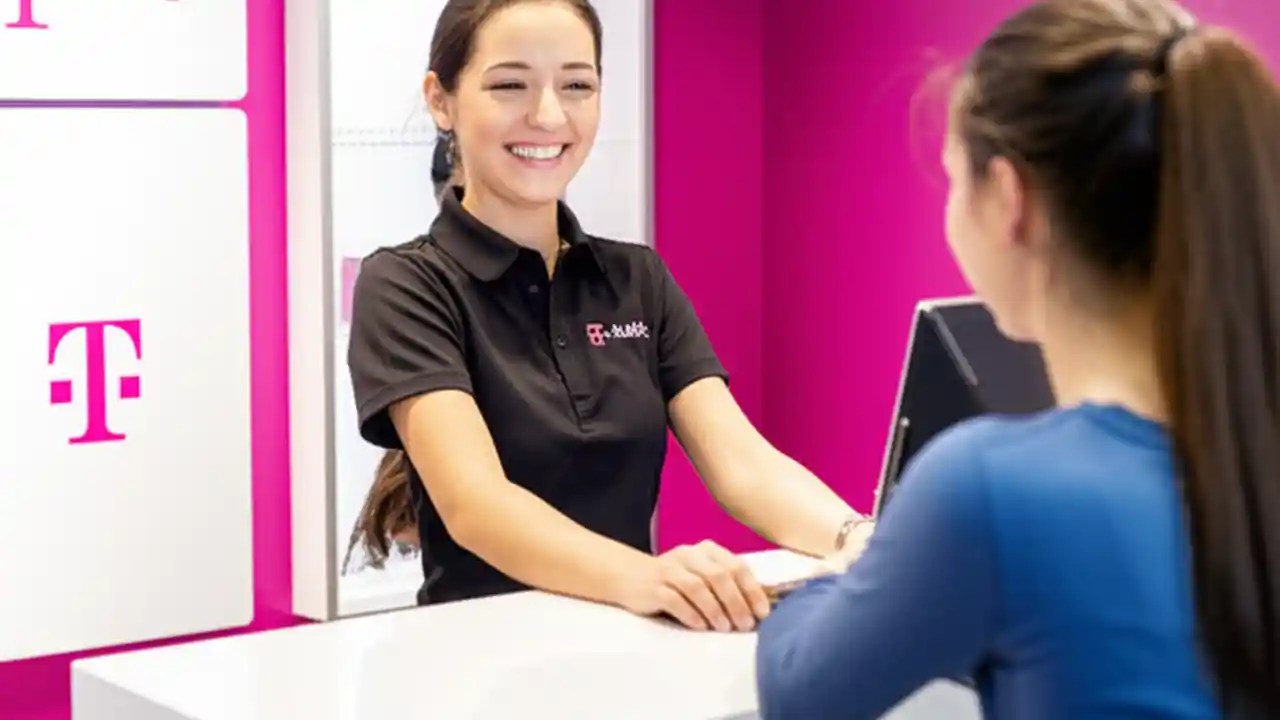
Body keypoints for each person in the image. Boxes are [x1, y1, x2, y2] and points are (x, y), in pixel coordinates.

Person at [756, 0, 1280, 717]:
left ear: (1009, 200)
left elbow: (799, 689)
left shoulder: (989, 489)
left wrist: (845, 571)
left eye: (952, 179)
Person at [346, 0, 867, 632]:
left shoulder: (637, 279)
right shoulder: (405, 283)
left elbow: (741, 464)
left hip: (630, 647)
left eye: (577, 85)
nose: (548, 115)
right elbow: (475, 505)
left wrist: (858, 539)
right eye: (511, 85)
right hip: (473, 658)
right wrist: (647, 576)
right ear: (442, 99)